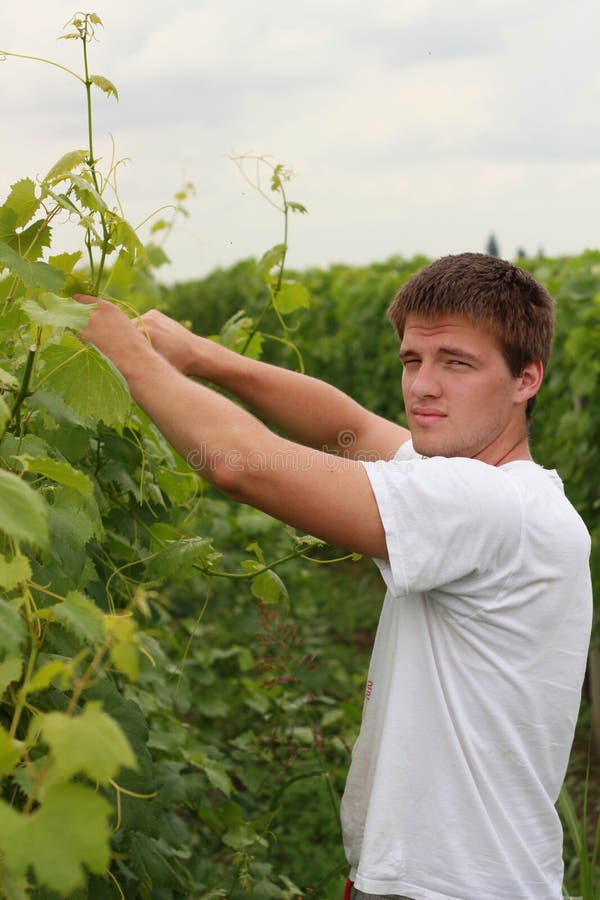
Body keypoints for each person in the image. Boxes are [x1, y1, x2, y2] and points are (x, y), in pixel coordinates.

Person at [75, 251, 592, 900]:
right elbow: (346, 427)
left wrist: (129, 357)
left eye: (456, 363)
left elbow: (240, 464)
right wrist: (203, 357)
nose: (423, 386)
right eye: (412, 360)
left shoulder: (487, 504)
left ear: (527, 379)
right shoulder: (505, 491)